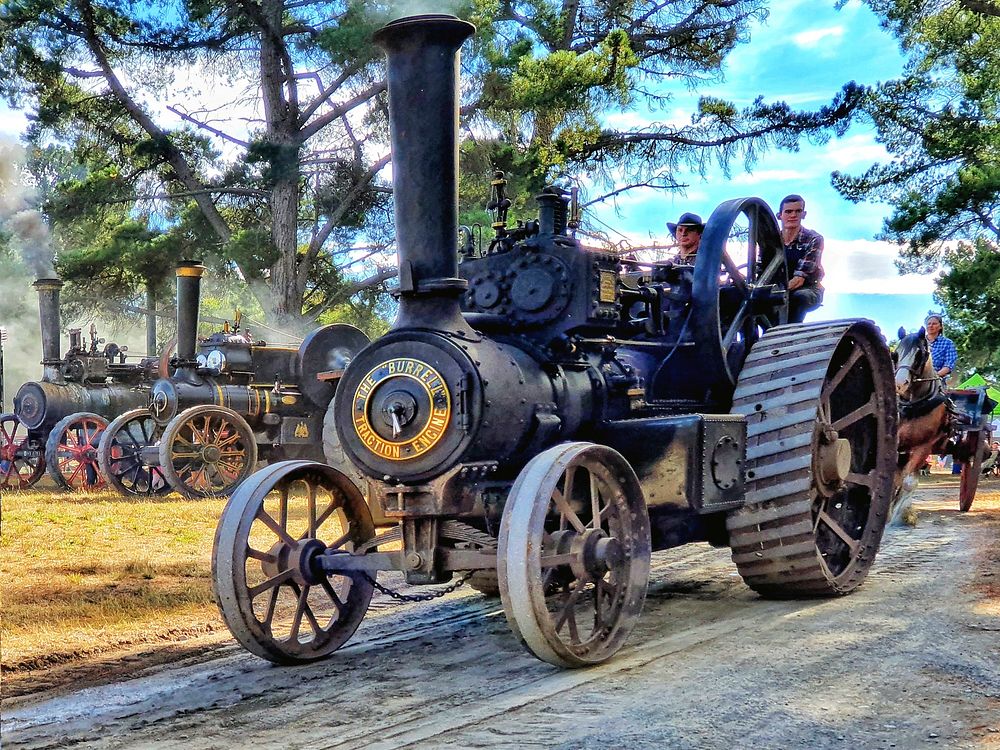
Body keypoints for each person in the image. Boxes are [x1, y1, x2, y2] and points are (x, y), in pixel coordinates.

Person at [777, 194, 824, 323]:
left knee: (799, 297)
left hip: (807, 289)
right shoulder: (771, 241)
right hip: (777, 288)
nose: (793, 215)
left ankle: (790, 335)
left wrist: (773, 292)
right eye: (788, 211)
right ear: (779, 215)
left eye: (798, 211)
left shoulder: (814, 239)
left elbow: (799, 279)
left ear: (804, 214)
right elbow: (759, 268)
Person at [924, 314, 957, 384]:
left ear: (940, 326)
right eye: (929, 324)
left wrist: (934, 377)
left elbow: (949, 364)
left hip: (937, 380)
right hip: (915, 379)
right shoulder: (918, 341)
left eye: (934, 324)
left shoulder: (948, 343)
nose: (931, 326)